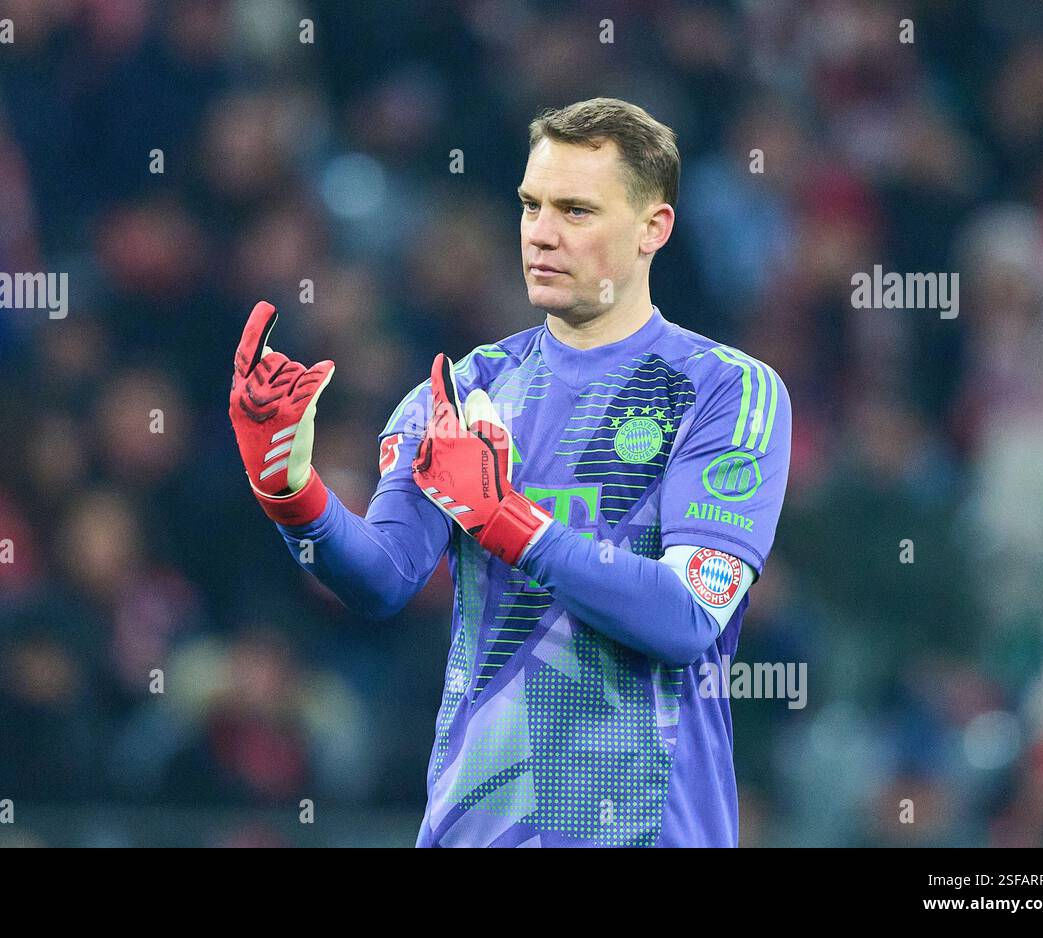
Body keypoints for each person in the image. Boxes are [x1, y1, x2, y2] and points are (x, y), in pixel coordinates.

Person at [229, 97, 791, 847]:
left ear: (653, 229)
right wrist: (293, 495)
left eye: (576, 211)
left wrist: (509, 523)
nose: (542, 234)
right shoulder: (461, 390)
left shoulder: (727, 391)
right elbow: (383, 578)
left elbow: (685, 618)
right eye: (531, 205)